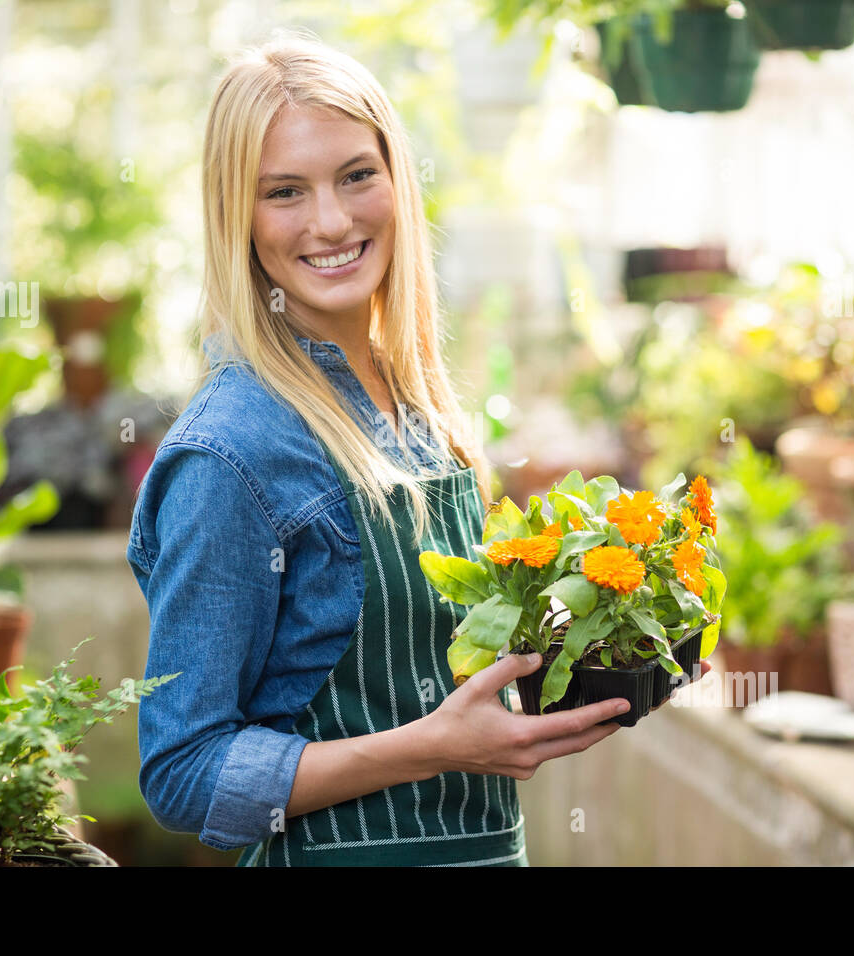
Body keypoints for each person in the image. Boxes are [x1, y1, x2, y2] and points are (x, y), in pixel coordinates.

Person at [126, 29, 708, 867]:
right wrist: (431, 747)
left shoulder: (418, 408)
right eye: (284, 191)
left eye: (357, 175)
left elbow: (448, 675)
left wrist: (606, 637)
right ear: (235, 218)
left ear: (398, 178)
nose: (332, 220)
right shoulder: (230, 451)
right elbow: (184, 772)